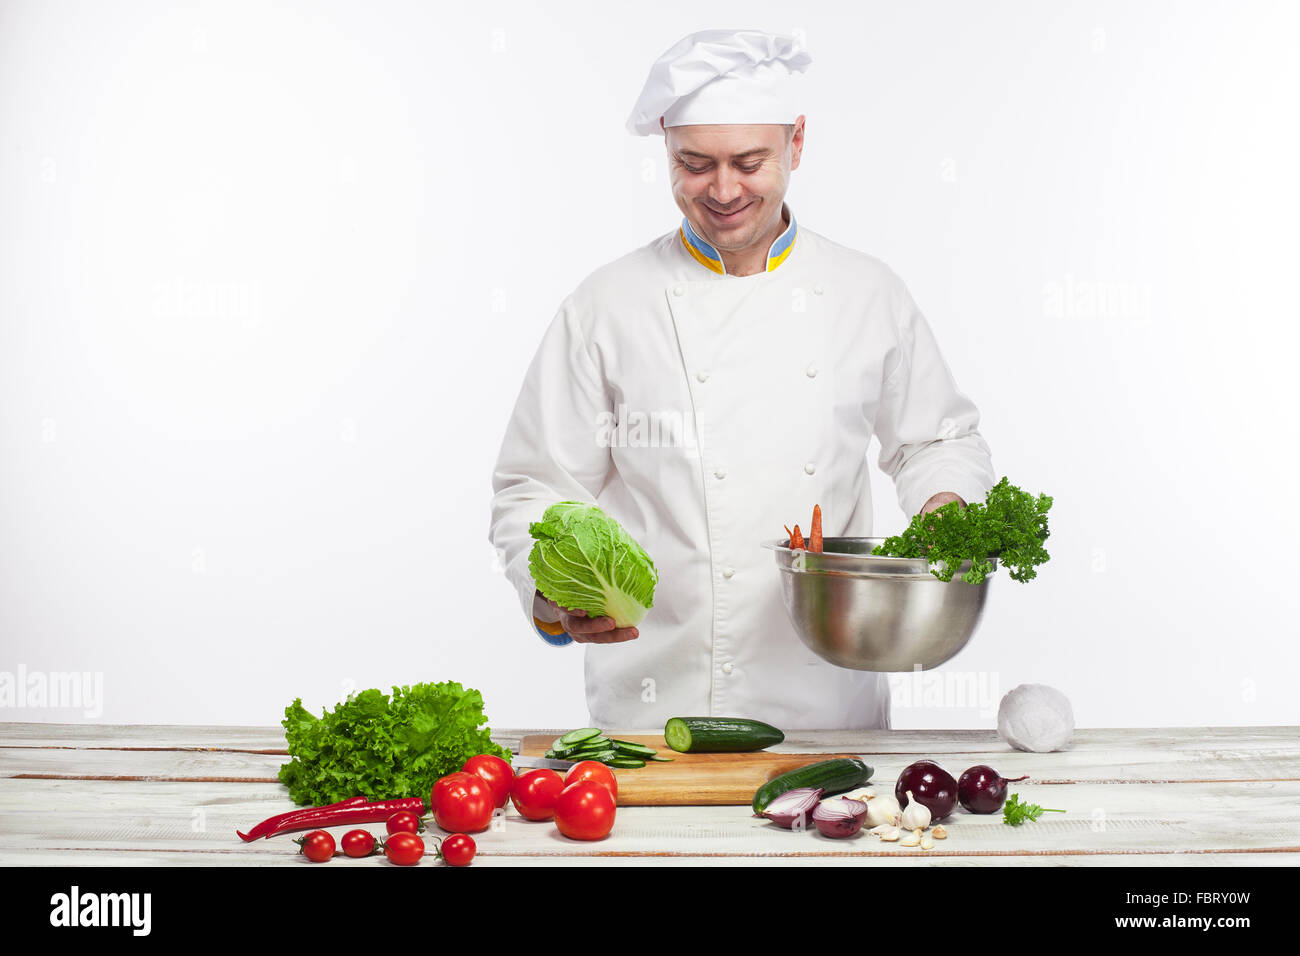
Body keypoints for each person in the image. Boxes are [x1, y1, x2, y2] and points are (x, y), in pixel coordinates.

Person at [488, 29, 995, 729]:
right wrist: (549, 595)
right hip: (648, 707)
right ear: (664, 147)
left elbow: (937, 440)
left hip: (825, 702)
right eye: (694, 164)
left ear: (797, 144)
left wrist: (947, 507)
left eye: (749, 161)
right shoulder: (607, 305)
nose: (723, 190)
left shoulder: (867, 293)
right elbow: (536, 484)